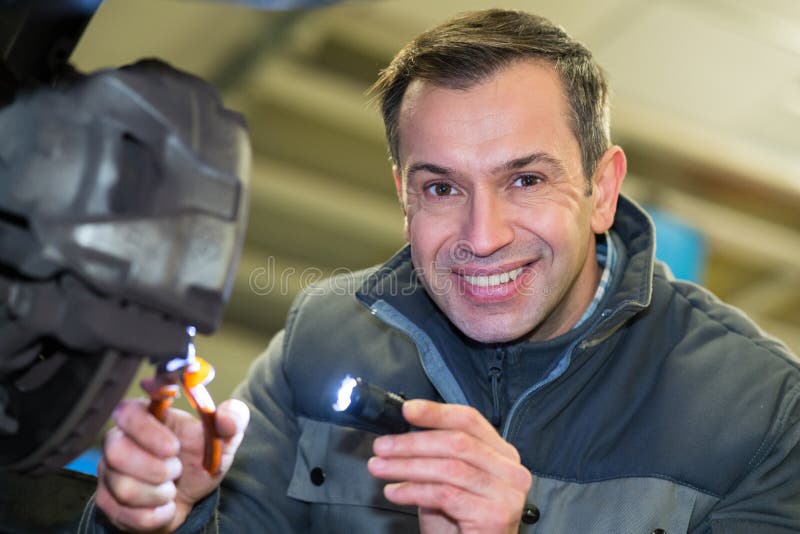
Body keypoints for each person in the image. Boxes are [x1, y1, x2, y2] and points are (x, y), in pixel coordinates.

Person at [81, 8, 800, 533]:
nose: (482, 238)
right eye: (441, 188)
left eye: (525, 180)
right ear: (403, 196)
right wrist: (160, 515)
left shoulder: (759, 410)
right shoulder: (323, 340)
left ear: (602, 191)